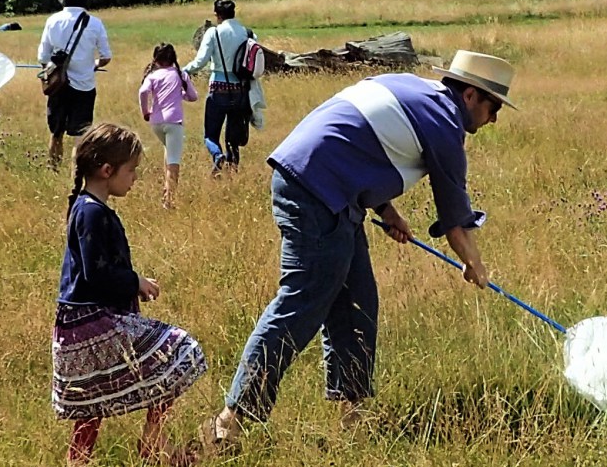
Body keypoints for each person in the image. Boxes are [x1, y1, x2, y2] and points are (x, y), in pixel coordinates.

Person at [211, 51, 516, 444]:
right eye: (494, 108)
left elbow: (359, 143)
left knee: (357, 303)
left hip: (323, 187)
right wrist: (475, 265)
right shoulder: (444, 123)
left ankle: (354, 419)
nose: (494, 119)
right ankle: (229, 422)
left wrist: (386, 209)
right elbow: (455, 218)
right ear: (471, 95)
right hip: (316, 192)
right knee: (301, 304)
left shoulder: (412, 87)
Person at [52, 123, 208, 467]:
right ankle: (154, 439)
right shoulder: (91, 212)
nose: (135, 177)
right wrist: (134, 281)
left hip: (80, 326)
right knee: (181, 351)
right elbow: (97, 274)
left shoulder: (85, 207)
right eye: (132, 170)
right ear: (107, 171)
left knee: (90, 404)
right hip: (92, 325)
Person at [37, 0, 111, 171]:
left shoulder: (52, 21)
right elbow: (106, 57)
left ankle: (53, 169)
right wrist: (92, 64)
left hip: (57, 86)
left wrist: (56, 68)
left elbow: (43, 57)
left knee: (56, 132)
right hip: (84, 85)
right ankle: (75, 176)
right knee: (81, 135)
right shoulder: (95, 23)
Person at [183, 0, 259, 174]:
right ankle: (233, 171)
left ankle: (217, 156)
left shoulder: (213, 33)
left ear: (217, 15)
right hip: (241, 91)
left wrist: (182, 71)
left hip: (218, 90)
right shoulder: (248, 33)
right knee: (233, 137)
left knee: (210, 135)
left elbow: (200, 62)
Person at [137, 43, 199, 208]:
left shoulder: (153, 76)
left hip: (156, 122)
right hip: (174, 122)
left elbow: (143, 92)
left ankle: (166, 189)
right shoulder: (180, 74)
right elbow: (193, 97)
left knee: (168, 150)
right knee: (174, 161)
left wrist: (146, 111)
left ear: (156, 60)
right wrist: (182, 95)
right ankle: (169, 199)